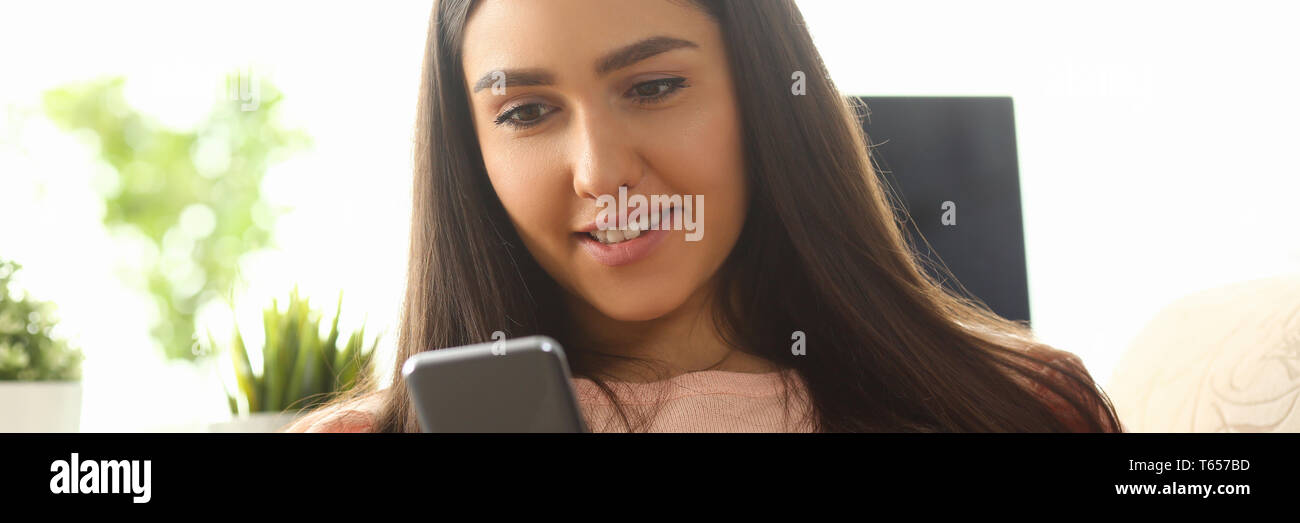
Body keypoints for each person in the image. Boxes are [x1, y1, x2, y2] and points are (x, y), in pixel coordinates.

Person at [285, 0, 1124, 433]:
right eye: (527, 113)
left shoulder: (1020, 409)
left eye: (653, 87)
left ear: (766, 93)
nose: (602, 171)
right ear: (470, 150)